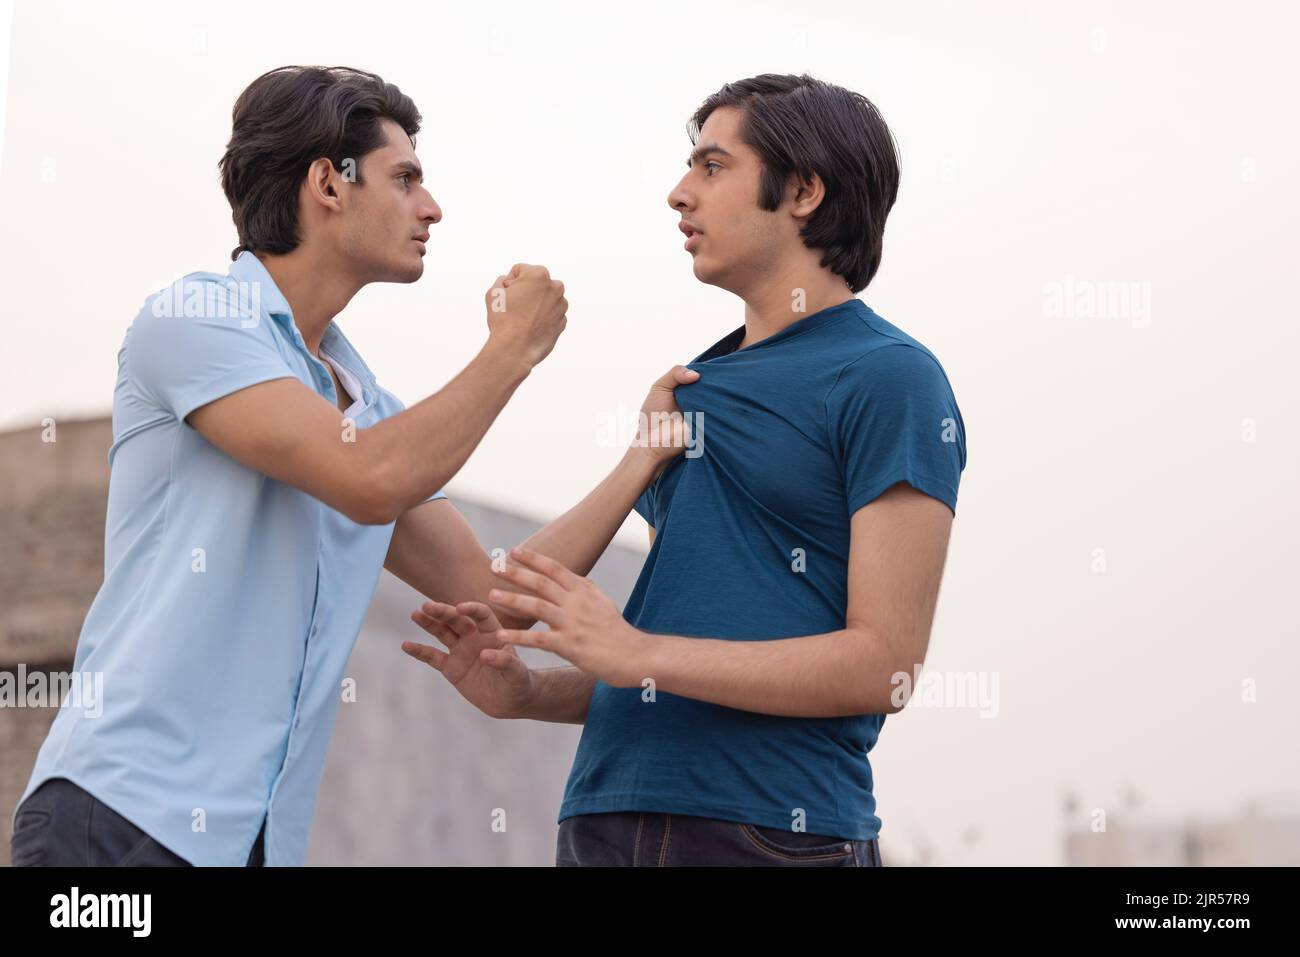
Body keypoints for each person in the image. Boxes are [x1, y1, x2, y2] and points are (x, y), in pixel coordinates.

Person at [9, 64, 690, 867]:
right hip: (116, 817)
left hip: (251, 844)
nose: (432, 208)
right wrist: (511, 349)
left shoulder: (363, 400)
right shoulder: (196, 319)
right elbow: (365, 478)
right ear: (328, 183)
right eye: (405, 179)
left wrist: (641, 460)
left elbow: (493, 594)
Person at [405, 73, 968, 867]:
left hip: (772, 831)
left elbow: (886, 665)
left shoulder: (891, 377)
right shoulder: (694, 387)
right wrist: (537, 693)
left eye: (711, 166)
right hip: (603, 819)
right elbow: (688, 651)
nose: (678, 193)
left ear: (803, 190)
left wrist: (634, 652)